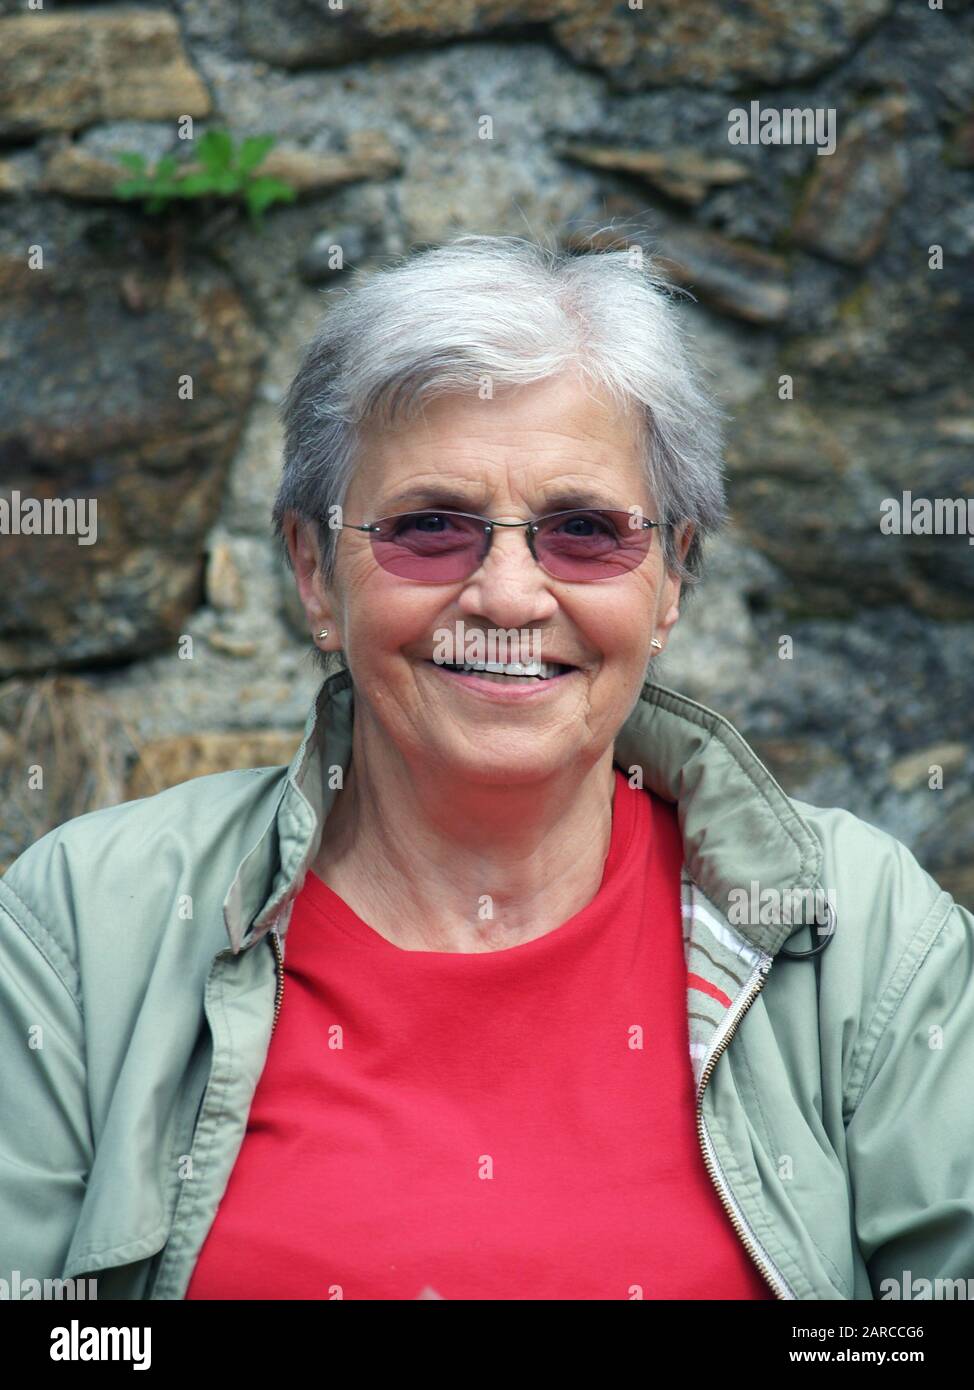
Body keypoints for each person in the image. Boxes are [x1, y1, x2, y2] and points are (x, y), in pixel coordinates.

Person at [1, 233, 971, 1302]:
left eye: (584, 531)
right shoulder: (84, 927)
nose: (507, 596)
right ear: (312, 572)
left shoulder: (862, 934)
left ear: (672, 577)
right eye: (429, 527)